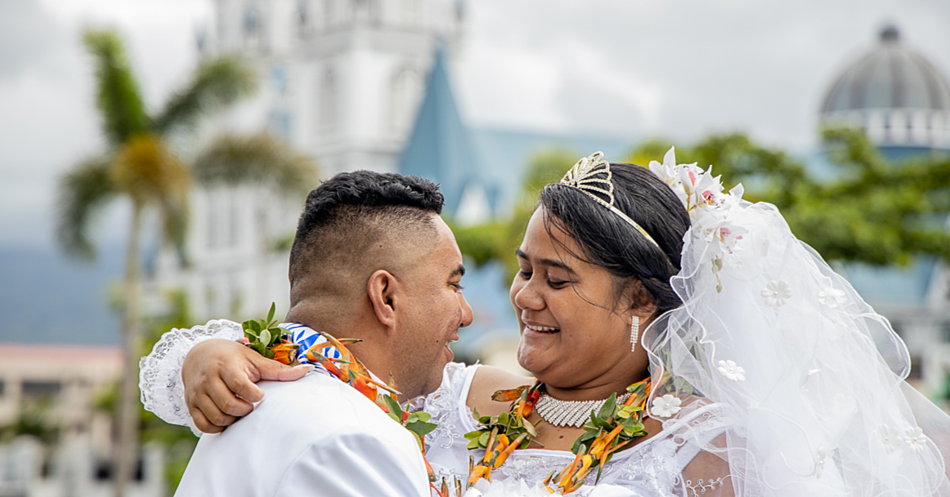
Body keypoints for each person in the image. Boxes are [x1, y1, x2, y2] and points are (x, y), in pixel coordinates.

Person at [143, 151, 950, 496]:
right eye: (524, 267)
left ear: (643, 300)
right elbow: (334, 362)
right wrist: (202, 355)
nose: (521, 295)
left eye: (556, 277)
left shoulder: (711, 445)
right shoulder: (478, 400)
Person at [144, 171, 474, 496]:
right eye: (453, 285)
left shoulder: (257, 396)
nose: (467, 314)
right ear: (386, 297)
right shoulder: (352, 438)